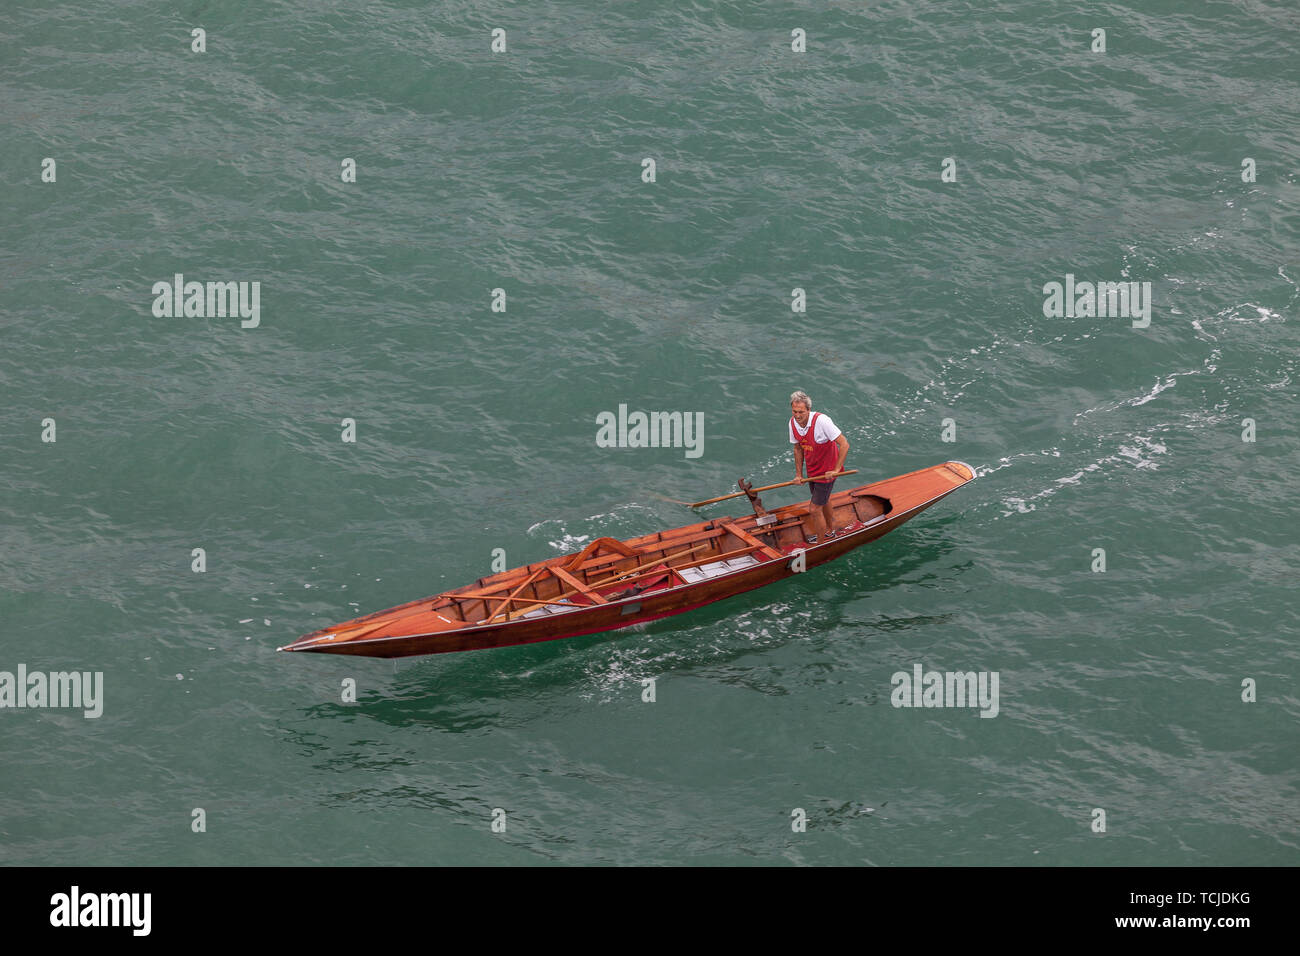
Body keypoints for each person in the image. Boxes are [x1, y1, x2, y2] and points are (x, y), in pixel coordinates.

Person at [789, 390, 850, 544]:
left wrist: (836, 470)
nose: (797, 415)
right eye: (794, 411)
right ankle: (831, 530)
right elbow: (797, 448)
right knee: (824, 500)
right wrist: (799, 475)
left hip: (827, 472)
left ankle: (821, 543)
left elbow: (844, 444)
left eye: (801, 412)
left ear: (808, 410)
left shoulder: (822, 421)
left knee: (815, 509)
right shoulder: (792, 423)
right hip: (812, 472)